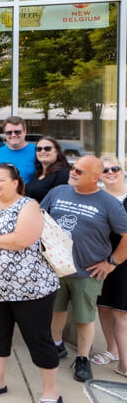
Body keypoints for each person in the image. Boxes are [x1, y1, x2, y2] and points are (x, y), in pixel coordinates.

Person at [0, 163, 61, 402]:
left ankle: (50, 390)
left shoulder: (28, 205)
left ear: (15, 182)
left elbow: (21, 239)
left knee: (38, 338)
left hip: (31, 288)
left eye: (1, 180)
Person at [42, 156, 127, 382]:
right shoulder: (58, 192)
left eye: (79, 171)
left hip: (87, 272)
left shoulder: (108, 203)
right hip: (56, 268)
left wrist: (111, 263)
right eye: (73, 168)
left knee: (84, 317)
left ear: (94, 178)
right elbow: (39, 218)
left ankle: (82, 359)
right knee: (56, 311)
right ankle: (56, 345)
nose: (73, 172)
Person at [94, 157, 127, 377]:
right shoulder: (98, 198)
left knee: (121, 312)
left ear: (122, 171)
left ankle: (125, 365)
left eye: (115, 168)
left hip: (122, 262)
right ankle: (111, 350)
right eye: (105, 170)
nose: (110, 172)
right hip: (100, 261)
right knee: (104, 307)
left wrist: (114, 262)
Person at [0, 115, 37, 183]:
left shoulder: (37, 152)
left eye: (17, 132)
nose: (13, 135)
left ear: (25, 132)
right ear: (5, 133)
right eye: (9, 132)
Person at [25, 137, 70, 204]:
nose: (42, 151)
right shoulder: (37, 174)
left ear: (57, 151)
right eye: (39, 149)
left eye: (47, 149)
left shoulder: (63, 173)